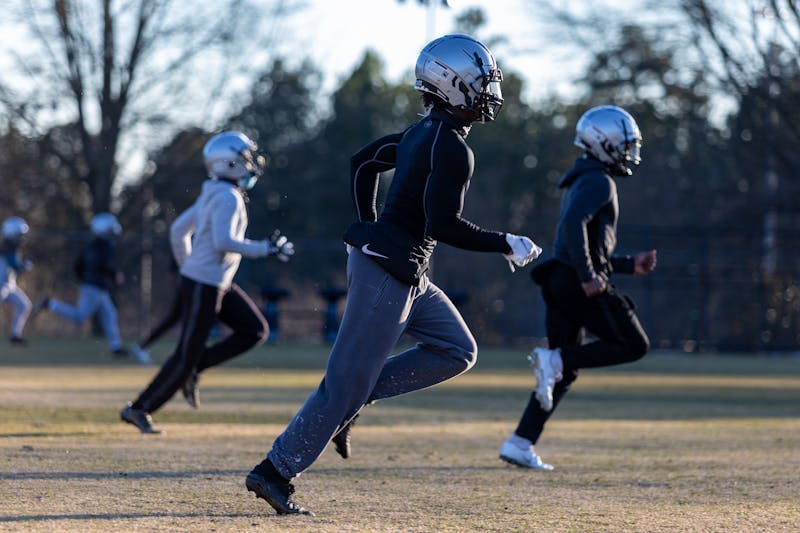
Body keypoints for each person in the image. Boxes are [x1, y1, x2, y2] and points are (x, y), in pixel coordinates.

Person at [245, 34, 541, 516]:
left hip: (405, 270)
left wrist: (372, 225)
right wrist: (503, 241)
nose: (489, 91)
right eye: (481, 81)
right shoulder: (449, 146)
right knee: (342, 385)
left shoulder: (422, 133)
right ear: (451, 84)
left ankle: (356, 401)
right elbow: (444, 224)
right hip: (388, 272)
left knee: (456, 349)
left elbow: (362, 163)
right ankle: (274, 471)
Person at [499, 105, 656, 471]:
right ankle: (553, 360)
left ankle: (520, 442)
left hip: (558, 280)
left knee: (560, 372)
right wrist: (588, 276)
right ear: (604, 143)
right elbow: (573, 227)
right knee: (634, 345)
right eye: (624, 144)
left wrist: (627, 265)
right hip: (574, 281)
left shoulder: (582, 179)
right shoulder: (599, 181)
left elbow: (582, 243)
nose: (629, 152)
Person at [119, 131, 294, 434]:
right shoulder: (225, 197)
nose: (251, 163)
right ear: (229, 163)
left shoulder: (215, 192)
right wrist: (264, 248)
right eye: (245, 157)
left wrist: (189, 266)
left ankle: (196, 368)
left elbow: (177, 230)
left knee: (254, 330)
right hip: (206, 283)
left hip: (211, 282)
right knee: (185, 355)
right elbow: (224, 241)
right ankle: (139, 408)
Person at [32, 212, 131, 357]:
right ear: (104, 230)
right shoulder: (103, 247)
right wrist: (114, 274)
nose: (114, 232)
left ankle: (116, 347)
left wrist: (84, 279)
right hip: (94, 287)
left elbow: (78, 265)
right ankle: (50, 303)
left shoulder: (93, 246)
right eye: (111, 229)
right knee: (79, 316)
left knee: (110, 315)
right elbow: (100, 265)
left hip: (95, 286)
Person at [0, 217, 34, 345]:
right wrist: (26, 265)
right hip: (1, 286)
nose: (21, 238)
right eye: (19, 235)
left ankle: (15, 335)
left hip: (9, 286)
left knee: (24, 305)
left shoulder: (11, 248)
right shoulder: (7, 248)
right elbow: (15, 265)